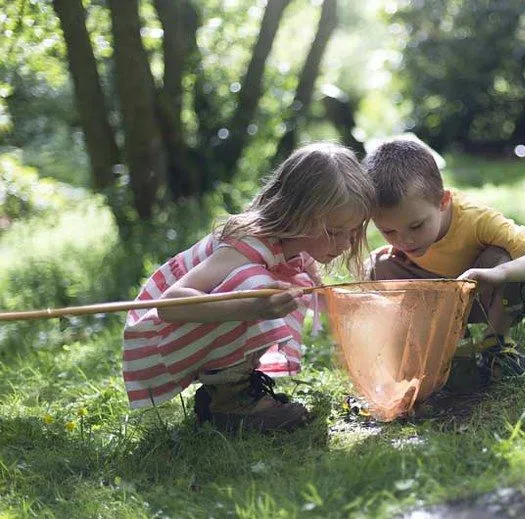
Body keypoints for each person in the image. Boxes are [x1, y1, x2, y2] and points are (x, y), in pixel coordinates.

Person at [123, 143, 375, 432]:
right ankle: (229, 403)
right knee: (259, 287)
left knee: (292, 287)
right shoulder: (247, 246)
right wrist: (253, 306)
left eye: (352, 232)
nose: (344, 245)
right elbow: (170, 305)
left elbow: (322, 297)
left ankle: (226, 391)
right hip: (156, 340)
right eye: (334, 232)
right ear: (299, 214)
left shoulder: (297, 244)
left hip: (189, 333)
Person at [364, 137, 525, 387]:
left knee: (501, 255)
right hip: (440, 299)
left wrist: (500, 273)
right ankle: (440, 344)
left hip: (485, 295)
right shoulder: (406, 237)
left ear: (443, 201)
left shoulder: (476, 219)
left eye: (416, 226)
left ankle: (496, 345)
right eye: (389, 232)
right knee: (378, 265)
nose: (404, 240)